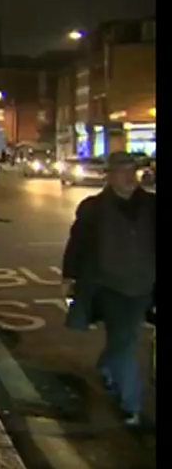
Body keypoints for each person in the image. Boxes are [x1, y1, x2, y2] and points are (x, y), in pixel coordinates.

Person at [62, 151, 155, 427]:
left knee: (124, 338)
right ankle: (132, 405)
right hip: (108, 285)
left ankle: (105, 366)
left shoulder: (151, 204)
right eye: (123, 172)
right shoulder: (93, 208)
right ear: (110, 176)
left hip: (145, 285)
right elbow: (77, 244)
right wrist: (69, 277)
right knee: (125, 341)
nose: (129, 177)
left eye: (132, 171)